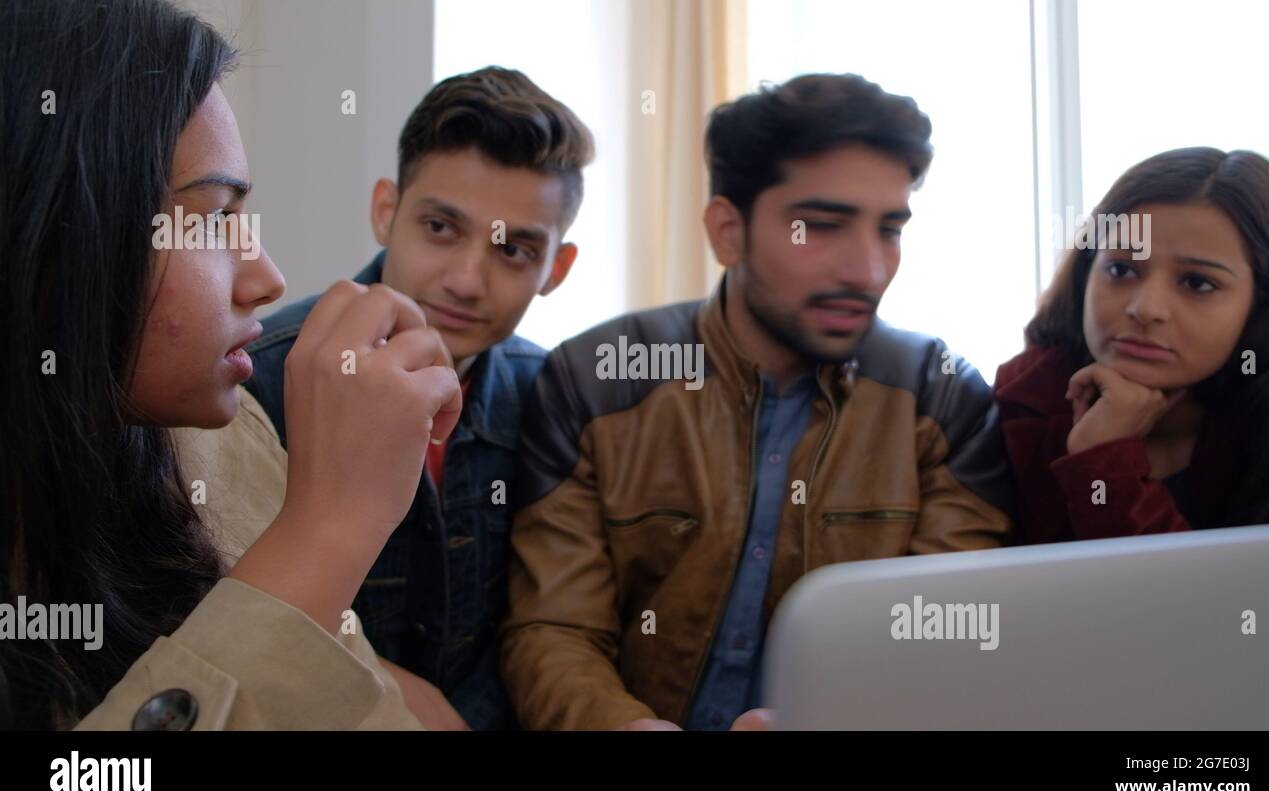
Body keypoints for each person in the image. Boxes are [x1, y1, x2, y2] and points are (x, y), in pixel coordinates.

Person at [500, 73, 1015, 731]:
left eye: (889, 228)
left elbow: (945, 641)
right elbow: (553, 628)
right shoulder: (594, 380)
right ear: (727, 230)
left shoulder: (943, 399)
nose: (868, 269)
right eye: (822, 226)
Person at [0, 0, 459, 730]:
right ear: (47, 235)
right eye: (215, 218)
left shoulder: (216, 435)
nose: (266, 278)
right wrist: (326, 530)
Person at [231, 66, 593, 730]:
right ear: (385, 211)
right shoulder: (257, 376)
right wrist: (374, 678)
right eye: (440, 227)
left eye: (513, 249)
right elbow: (211, 611)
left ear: (557, 270)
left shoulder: (556, 399)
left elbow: (541, 623)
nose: (465, 280)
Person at [994, 147, 1269, 544]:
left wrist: (1104, 458)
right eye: (1121, 269)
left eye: (1197, 283)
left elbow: (1200, 604)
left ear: (1267, 306)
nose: (1145, 308)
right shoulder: (1021, 403)